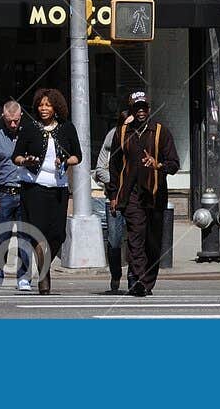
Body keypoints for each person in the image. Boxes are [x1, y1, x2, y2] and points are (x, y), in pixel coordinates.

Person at [109, 91, 179, 297]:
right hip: (131, 195)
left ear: (149, 110)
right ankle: (136, 279)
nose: (141, 111)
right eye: (136, 108)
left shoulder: (160, 132)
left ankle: (147, 281)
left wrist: (158, 164)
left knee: (152, 240)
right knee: (135, 236)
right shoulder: (121, 133)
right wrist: (113, 195)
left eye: (144, 108)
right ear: (130, 110)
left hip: (155, 194)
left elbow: (174, 164)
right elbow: (114, 166)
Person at [12, 87, 81, 295]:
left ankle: (44, 267)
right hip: (34, 187)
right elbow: (16, 156)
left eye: (48, 105)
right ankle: (44, 278)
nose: (43, 108)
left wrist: (65, 160)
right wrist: (26, 160)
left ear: (56, 107)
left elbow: (78, 156)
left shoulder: (67, 128)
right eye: (41, 105)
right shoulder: (29, 128)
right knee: (38, 233)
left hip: (58, 188)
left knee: (58, 234)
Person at [0, 100, 31, 291]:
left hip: (24, 192)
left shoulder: (28, 136)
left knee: (24, 236)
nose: (13, 124)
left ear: (21, 118)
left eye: (16, 121)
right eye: (9, 121)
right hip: (4, 194)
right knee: (2, 236)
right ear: (3, 118)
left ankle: (24, 276)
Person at [93, 96, 135, 294]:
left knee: (136, 239)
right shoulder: (112, 137)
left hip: (136, 198)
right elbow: (99, 169)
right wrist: (117, 182)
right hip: (114, 197)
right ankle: (116, 274)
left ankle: (134, 277)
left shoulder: (141, 138)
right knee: (115, 239)